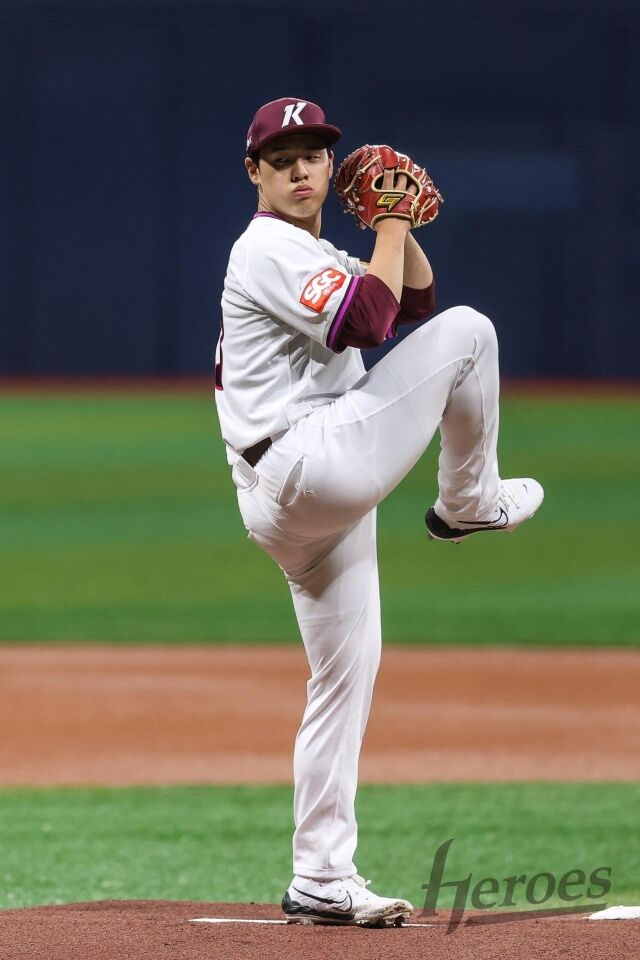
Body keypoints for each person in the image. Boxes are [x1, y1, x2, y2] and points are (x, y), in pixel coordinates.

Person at [214, 97, 543, 927]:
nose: (299, 169)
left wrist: (396, 227)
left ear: (331, 166)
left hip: (299, 493)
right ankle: (468, 502)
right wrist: (391, 221)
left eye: (312, 155)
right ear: (253, 172)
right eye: (281, 158)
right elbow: (369, 318)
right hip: (308, 463)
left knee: (343, 681)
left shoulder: (315, 251)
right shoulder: (266, 249)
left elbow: (411, 305)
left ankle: (321, 875)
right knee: (475, 331)